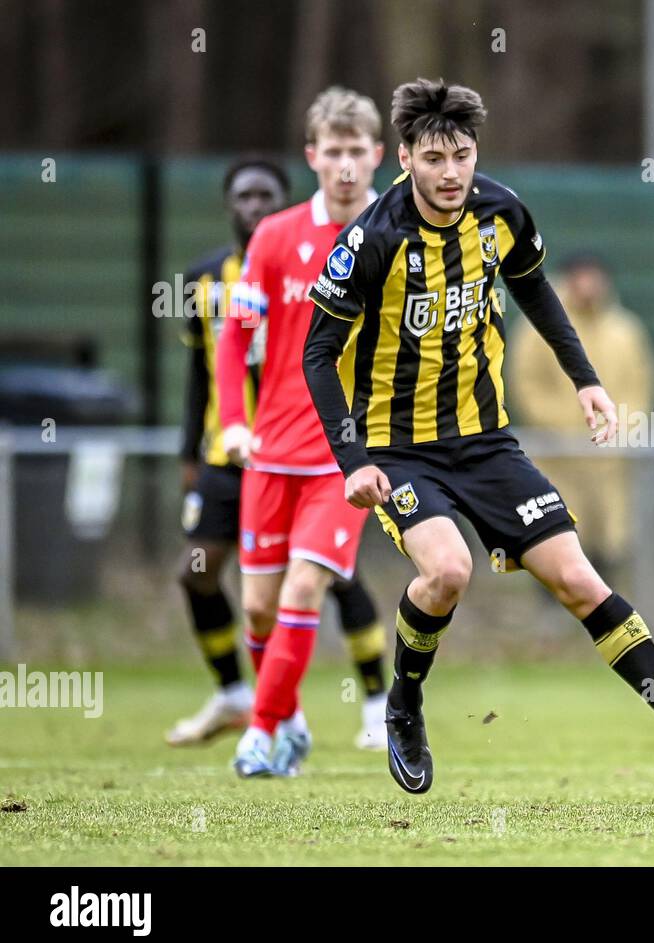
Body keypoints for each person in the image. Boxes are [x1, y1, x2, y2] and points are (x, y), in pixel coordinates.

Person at [302, 77, 654, 795]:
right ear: (405, 159)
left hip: (486, 443)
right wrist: (352, 460)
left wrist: (585, 380)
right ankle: (403, 703)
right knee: (447, 571)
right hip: (399, 450)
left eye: (460, 154)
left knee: (582, 581)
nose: (450, 171)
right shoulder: (373, 238)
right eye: (433, 158)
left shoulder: (502, 212)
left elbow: (535, 291)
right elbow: (317, 353)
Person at [170, 156, 389, 751]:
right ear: (228, 205)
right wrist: (191, 453)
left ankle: (375, 701)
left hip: (308, 447)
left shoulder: (323, 261)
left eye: (266, 194)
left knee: (330, 578)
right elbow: (203, 370)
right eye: (243, 195)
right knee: (202, 573)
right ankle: (243, 698)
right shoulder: (205, 280)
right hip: (229, 452)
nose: (254, 206)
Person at [217, 89, 385, 777]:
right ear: (312, 156)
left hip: (344, 457)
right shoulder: (275, 237)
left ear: (378, 154)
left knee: (305, 588)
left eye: (357, 151)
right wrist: (234, 423)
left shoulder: (395, 233)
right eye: (333, 151)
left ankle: (258, 732)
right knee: (257, 606)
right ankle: (289, 721)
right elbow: (235, 339)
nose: (345, 165)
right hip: (271, 451)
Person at [507, 254, 654, 576]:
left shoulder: (625, 331)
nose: (588, 285)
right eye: (580, 276)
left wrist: (621, 428)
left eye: (594, 276)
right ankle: (552, 607)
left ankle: (605, 605)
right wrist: (562, 425)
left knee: (610, 533)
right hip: (557, 454)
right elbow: (526, 383)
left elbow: (640, 383)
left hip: (609, 456)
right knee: (553, 531)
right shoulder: (538, 329)